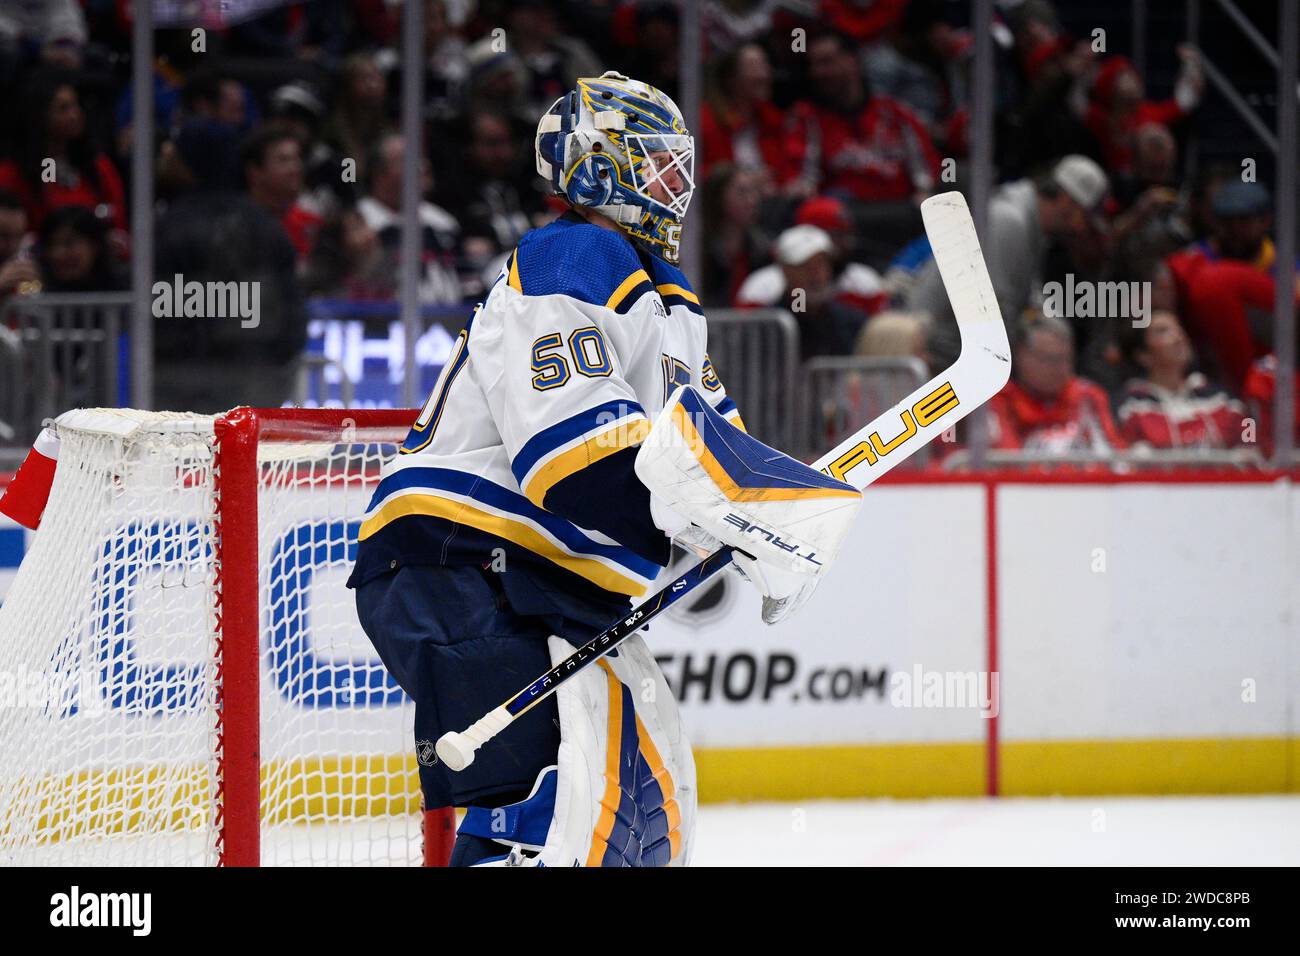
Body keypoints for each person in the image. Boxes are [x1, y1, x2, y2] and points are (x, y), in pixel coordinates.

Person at [347, 72, 861, 868]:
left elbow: (712, 462)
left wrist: (769, 512)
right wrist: (728, 518)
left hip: (545, 579)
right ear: (595, 168)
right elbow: (573, 468)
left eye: (678, 164)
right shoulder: (574, 254)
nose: (677, 184)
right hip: (463, 560)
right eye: (655, 163)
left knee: (633, 806)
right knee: (548, 810)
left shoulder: (671, 299)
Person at [988, 315, 1125, 454]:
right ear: (1021, 356)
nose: (1060, 369)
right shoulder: (999, 398)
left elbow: (1115, 458)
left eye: (1066, 359)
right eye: (1050, 359)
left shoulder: (1088, 396)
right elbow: (1008, 462)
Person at [1116, 310, 1246, 451]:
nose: (1179, 337)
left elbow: (1248, 440)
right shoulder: (1131, 406)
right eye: (1163, 331)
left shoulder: (1218, 396)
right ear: (1143, 355)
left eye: (1179, 328)